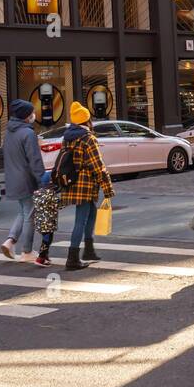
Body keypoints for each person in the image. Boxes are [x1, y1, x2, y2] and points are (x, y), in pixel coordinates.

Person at [56, 102, 114, 270]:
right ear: (87, 120)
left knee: (91, 214)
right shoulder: (88, 138)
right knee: (80, 220)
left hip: (73, 183)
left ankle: (88, 250)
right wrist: (108, 188)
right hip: (85, 185)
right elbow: (98, 166)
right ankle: (72, 258)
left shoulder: (67, 138)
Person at [1, 99, 49, 262]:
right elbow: (34, 160)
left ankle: (10, 241)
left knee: (24, 211)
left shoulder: (9, 132)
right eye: (31, 112)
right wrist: (43, 181)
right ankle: (27, 251)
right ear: (26, 115)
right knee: (30, 215)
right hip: (26, 179)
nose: (33, 115)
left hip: (13, 178)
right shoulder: (28, 133)